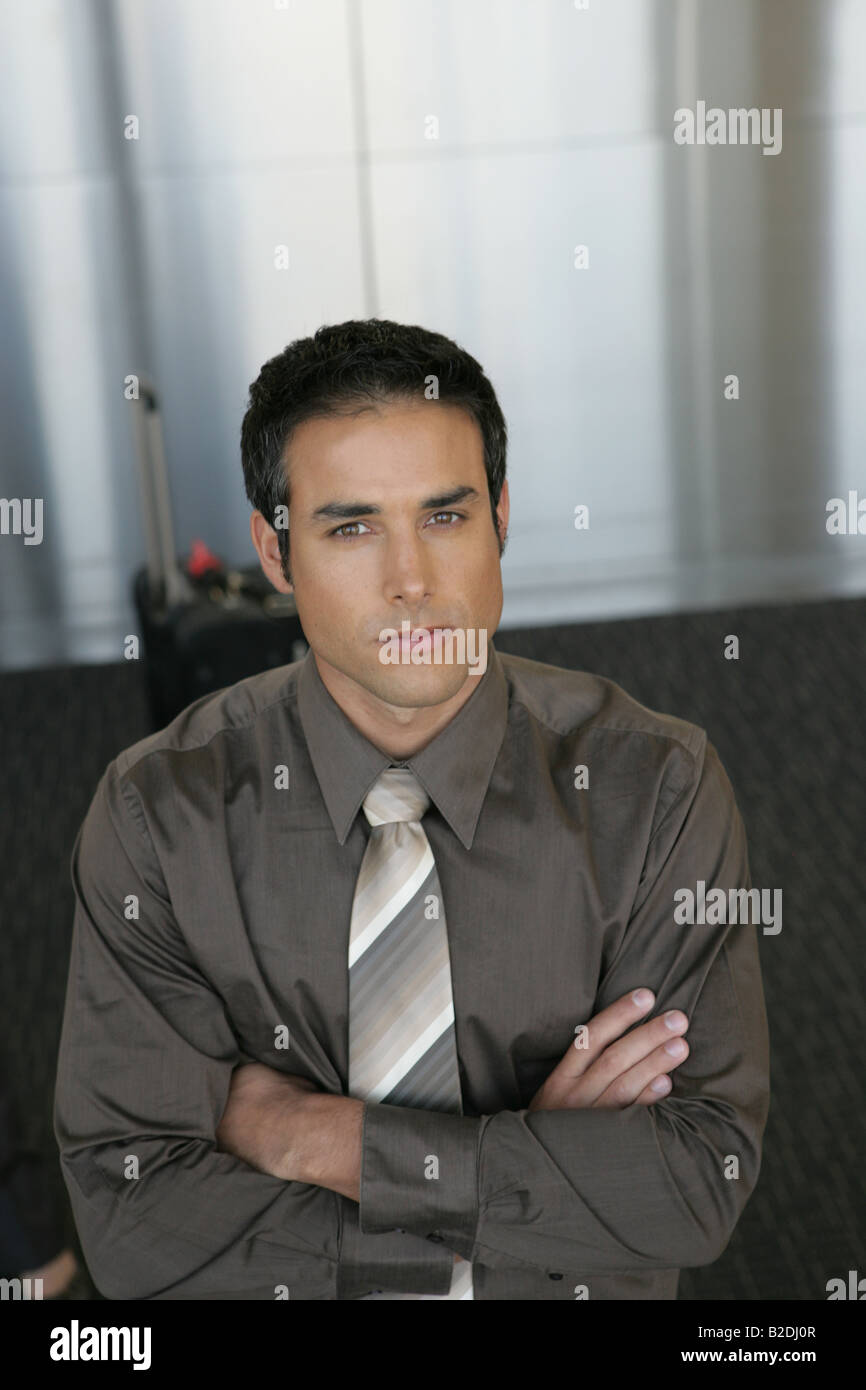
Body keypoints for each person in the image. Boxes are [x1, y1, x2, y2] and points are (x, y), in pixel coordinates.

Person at [54, 319, 769, 1300]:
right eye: (350, 526)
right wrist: (522, 1178)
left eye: (445, 515)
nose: (412, 581)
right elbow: (136, 1224)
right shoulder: (157, 816)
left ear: (502, 517)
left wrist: (315, 1137)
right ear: (273, 551)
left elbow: (693, 1184)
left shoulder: (655, 787)